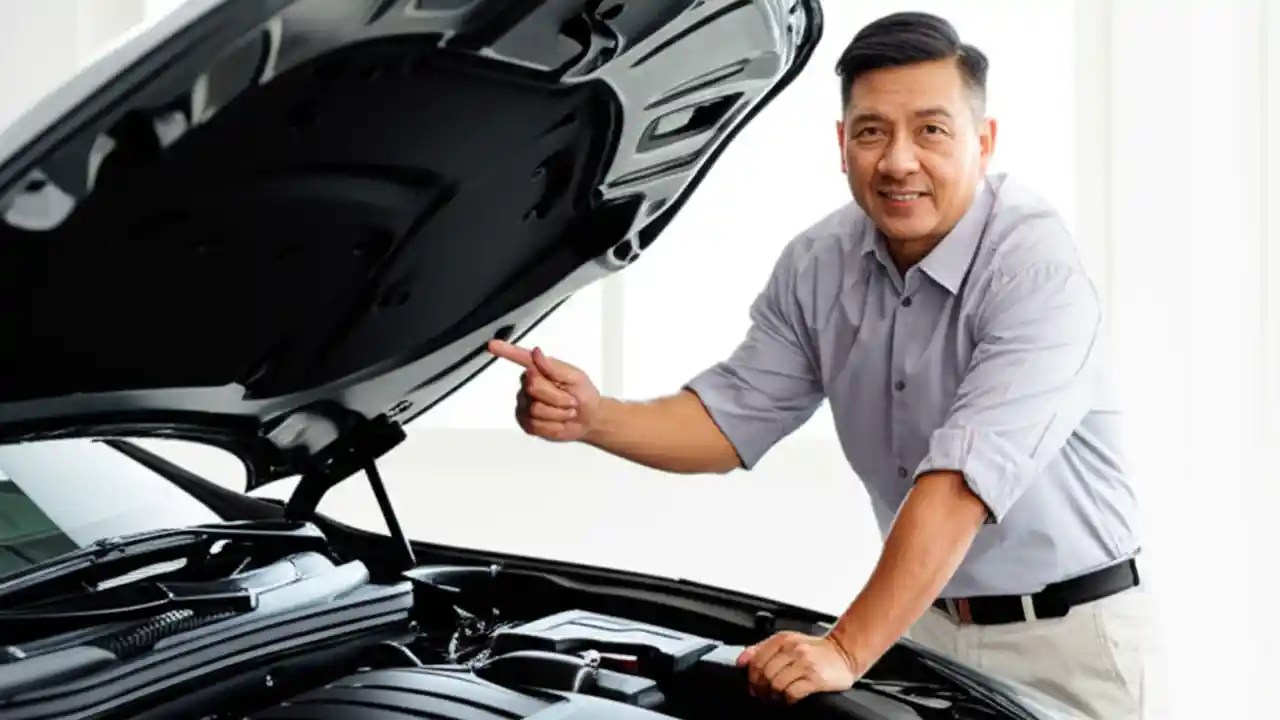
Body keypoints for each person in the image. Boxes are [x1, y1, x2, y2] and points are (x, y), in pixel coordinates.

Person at [487, 11, 1154, 720]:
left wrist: (845, 648)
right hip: (921, 628)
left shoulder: (1033, 267)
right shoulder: (819, 263)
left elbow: (961, 481)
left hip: (1068, 641)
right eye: (872, 131)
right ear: (842, 145)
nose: (898, 160)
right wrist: (596, 417)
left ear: (982, 143)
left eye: (931, 130)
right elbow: (730, 418)